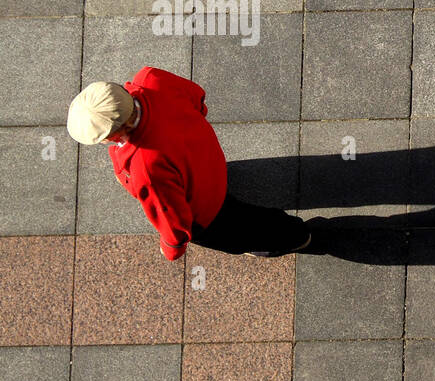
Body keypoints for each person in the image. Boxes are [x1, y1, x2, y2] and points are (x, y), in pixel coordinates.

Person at [66, 67, 311, 260]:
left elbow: (172, 218)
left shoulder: (146, 168)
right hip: (209, 161)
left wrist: (172, 248)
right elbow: (196, 97)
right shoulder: (151, 78)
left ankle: (296, 236)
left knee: (244, 231)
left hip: (206, 211)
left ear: (112, 135)